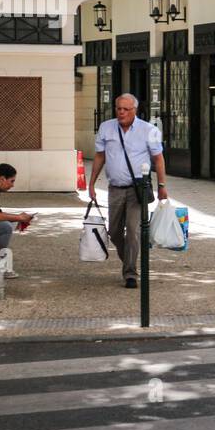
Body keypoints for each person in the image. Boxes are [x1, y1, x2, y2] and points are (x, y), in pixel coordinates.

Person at [89, 94, 169, 288]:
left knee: (133, 232)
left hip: (137, 190)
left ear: (135, 110)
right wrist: (91, 184)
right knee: (114, 232)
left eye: (126, 109)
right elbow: (100, 156)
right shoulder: (106, 127)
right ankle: (130, 262)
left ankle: (130, 273)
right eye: (118, 109)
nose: (121, 113)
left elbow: (158, 159)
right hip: (115, 188)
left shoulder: (148, 130)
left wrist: (162, 186)